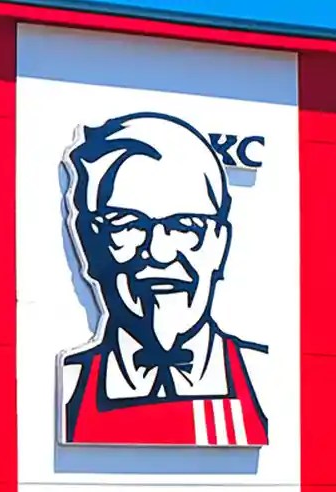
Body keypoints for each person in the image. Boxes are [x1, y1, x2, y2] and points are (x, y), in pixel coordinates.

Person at [59, 112, 267, 446]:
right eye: (127, 224)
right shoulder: (66, 387)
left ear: (220, 246)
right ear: (90, 243)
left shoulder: (265, 379)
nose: (160, 252)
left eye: (187, 226)